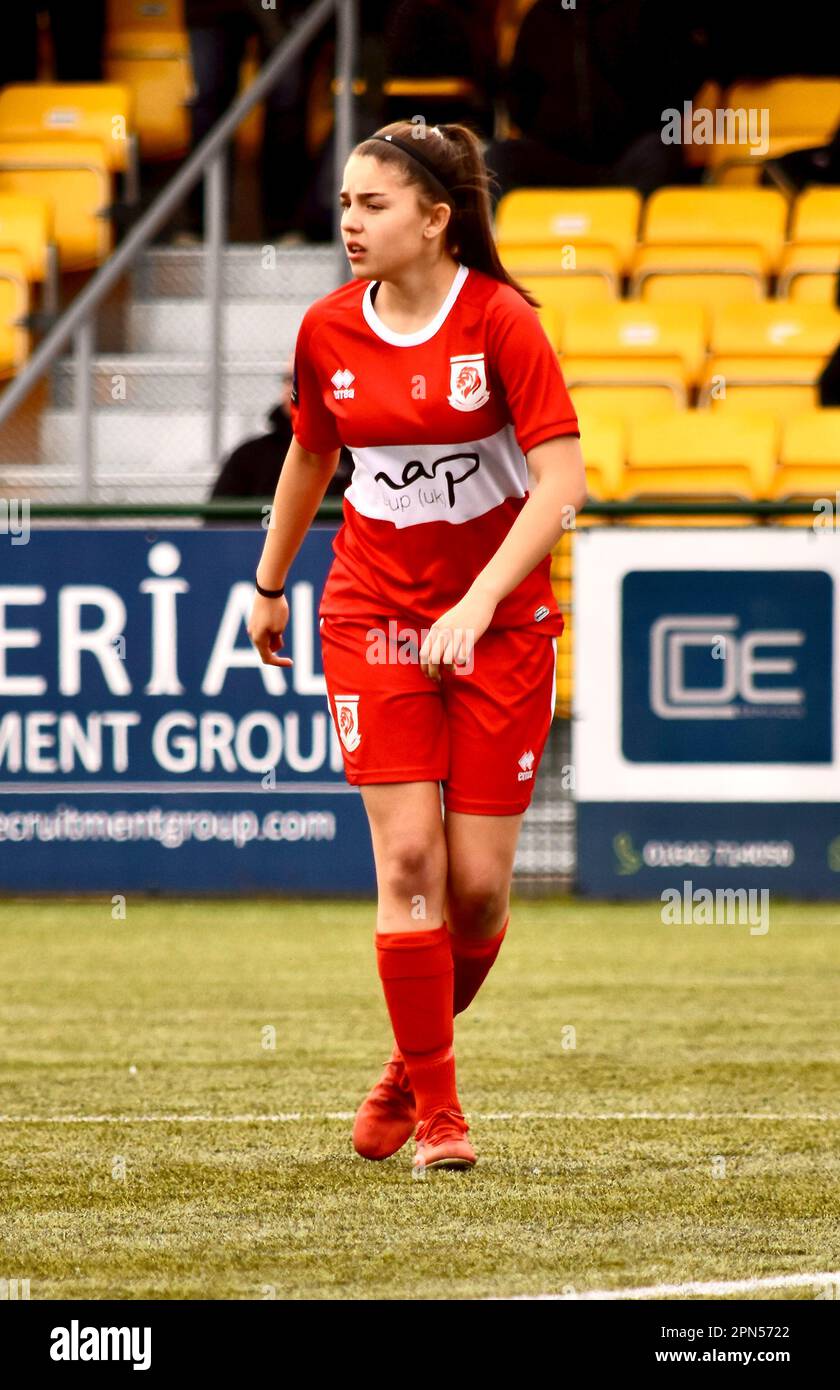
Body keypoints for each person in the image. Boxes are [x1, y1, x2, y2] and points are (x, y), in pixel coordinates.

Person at [247, 119, 586, 1174]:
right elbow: (311, 456)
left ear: (438, 220)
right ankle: (441, 1116)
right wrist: (269, 584)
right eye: (345, 202)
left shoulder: (503, 325)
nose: (350, 221)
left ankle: (404, 1069)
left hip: (500, 627)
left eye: (374, 203)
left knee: (478, 889)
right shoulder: (326, 332)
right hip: (371, 620)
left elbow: (563, 484)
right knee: (408, 861)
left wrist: (480, 604)